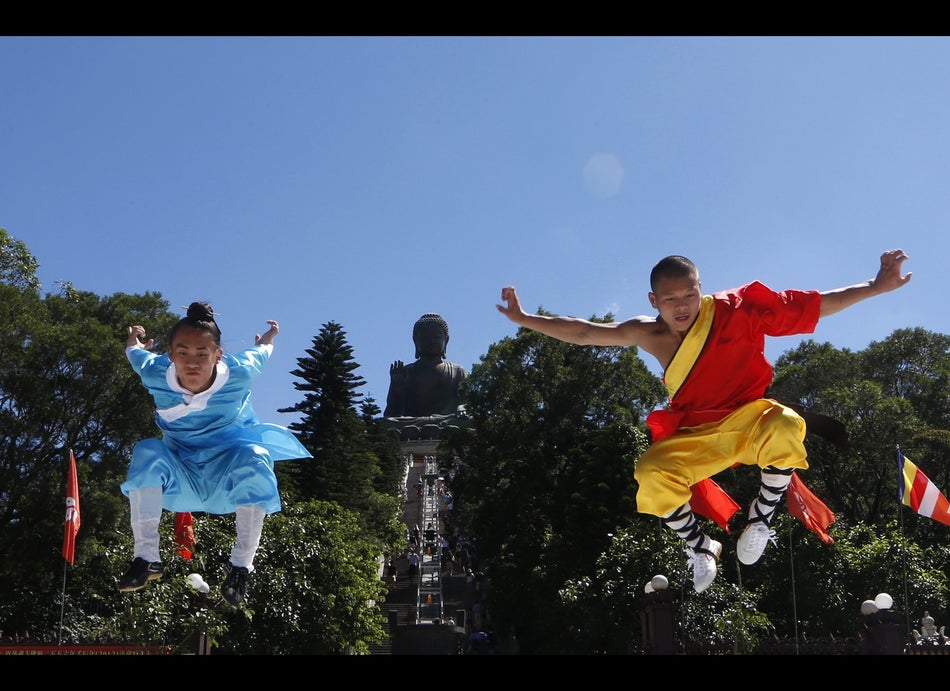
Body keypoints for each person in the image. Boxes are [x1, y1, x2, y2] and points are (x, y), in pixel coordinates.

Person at [497, 249, 911, 593]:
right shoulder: (650, 333)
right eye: (669, 298)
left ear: (701, 289)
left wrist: (875, 287)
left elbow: (814, 305)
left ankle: (761, 518)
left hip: (750, 421)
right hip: (698, 436)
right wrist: (526, 319)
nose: (681, 306)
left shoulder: (739, 309)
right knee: (651, 471)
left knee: (787, 423)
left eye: (689, 295)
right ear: (652, 300)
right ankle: (701, 547)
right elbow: (586, 333)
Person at [117, 301, 312, 606]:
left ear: (218, 355)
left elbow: (260, 354)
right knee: (147, 450)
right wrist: (133, 342)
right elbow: (136, 354)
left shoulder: (239, 373)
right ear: (170, 355)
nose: (191, 363)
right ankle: (146, 558)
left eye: (202, 354)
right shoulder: (155, 373)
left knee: (256, 454)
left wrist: (268, 339)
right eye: (182, 354)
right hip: (179, 478)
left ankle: (240, 567)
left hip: (227, 477)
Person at [384, 313, 468, 440]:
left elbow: (466, 403)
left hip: (447, 421)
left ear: (446, 340)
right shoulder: (407, 371)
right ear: (415, 341)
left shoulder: (458, 371)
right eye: (425, 338)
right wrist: (397, 387)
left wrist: (463, 408)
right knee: (386, 423)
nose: (431, 341)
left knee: (469, 420)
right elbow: (392, 413)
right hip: (411, 424)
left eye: (436, 337)